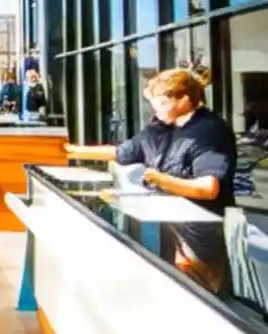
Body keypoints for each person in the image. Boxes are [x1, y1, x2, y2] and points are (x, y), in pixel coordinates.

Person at [65, 68, 236, 293]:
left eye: (162, 103)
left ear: (184, 100)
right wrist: (72, 151)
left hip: (199, 239)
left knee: (200, 297)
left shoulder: (209, 132)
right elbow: (124, 151)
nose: (156, 109)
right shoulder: (163, 126)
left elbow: (208, 188)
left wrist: (162, 180)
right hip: (169, 231)